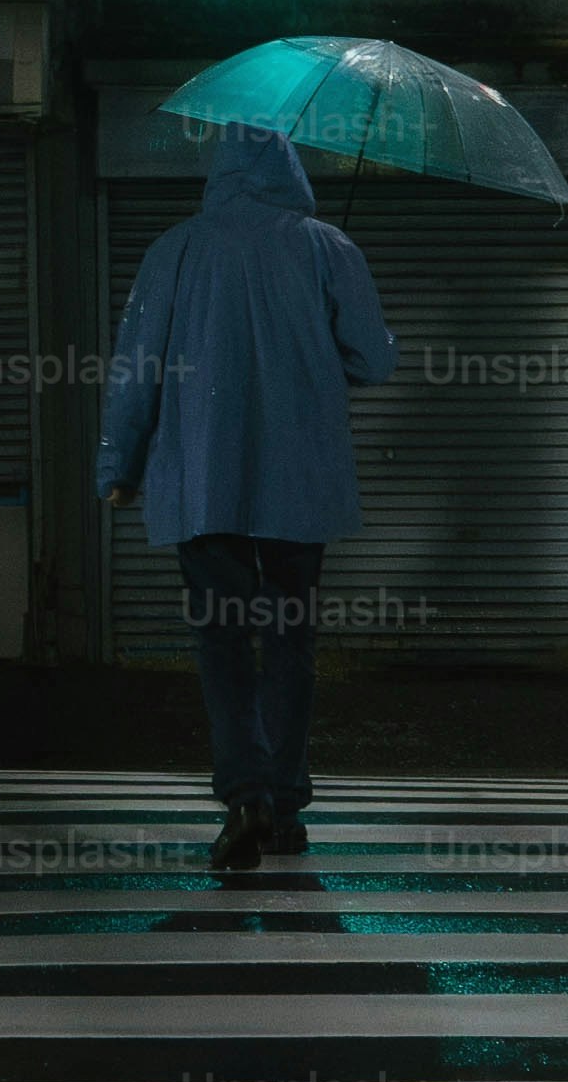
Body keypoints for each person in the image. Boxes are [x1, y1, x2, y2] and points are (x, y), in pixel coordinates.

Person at [93, 122, 397, 869]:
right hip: (300, 479)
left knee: (223, 638)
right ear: (291, 171)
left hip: (204, 479)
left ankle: (247, 796)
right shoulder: (329, 247)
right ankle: (285, 803)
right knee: (291, 638)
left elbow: (137, 366)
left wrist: (119, 465)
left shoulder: (174, 249)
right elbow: (374, 360)